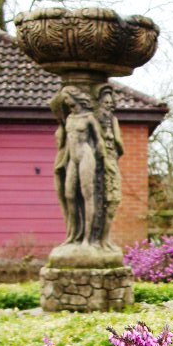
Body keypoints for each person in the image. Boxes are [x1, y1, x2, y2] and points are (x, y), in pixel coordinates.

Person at [51, 86, 107, 245]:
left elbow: (99, 141)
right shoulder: (68, 119)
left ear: (74, 97)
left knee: (87, 195)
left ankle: (88, 238)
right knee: (69, 194)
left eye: (66, 97)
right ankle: (73, 234)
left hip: (85, 155)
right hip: (72, 158)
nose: (65, 101)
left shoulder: (89, 117)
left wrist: (102, 162)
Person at [95, 84, 124, 250]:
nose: (109, 106)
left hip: (111, 165)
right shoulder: (93, 120)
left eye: (111, 103)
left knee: (113, 202)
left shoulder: (113, 121)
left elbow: (118, 144)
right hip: (96, 168)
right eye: (106, 103)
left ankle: (104, 239)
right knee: (96, 204)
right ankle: (95, 241)